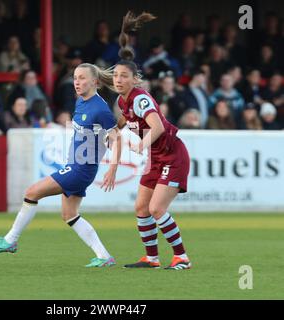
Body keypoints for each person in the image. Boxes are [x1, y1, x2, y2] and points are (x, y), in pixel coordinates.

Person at [0, 63, 122, 268]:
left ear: (95, 81)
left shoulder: (99, 108)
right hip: (77, 166)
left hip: (80, 169)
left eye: (82, 78)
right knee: (69, 214)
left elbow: (116, 138)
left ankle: (10, 240)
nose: (77, 82)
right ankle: (104, 256)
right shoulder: (81, 102)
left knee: (32, 192)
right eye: (75, 78)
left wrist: (113, 168)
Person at [112, 11, 191, 270]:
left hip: (172, 154)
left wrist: (141, 144)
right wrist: (109, 140)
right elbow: (120, 128)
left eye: (124, 76)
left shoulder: (140, 97)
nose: (119, 80)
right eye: (116, 76)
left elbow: (156, 126)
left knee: (157, 209)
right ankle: (152, 258)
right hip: (156, 158)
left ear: (135, 79)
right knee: (142, 208)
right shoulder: (121, 103)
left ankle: (182, 257)